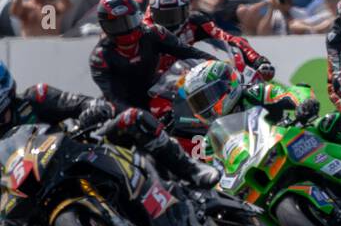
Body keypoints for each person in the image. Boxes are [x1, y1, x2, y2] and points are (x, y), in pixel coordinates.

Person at [178, 60, 341, 199]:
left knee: (334, 123)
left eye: (210, 96)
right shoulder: (214, 137)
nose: (209, 107)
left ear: (228, 86)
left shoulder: (255, 93)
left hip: (295, 141)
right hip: (259, 170)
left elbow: (293, 91)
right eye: (200, 103)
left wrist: (304, 104)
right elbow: (216, 168)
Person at [0, 64, 217, 189]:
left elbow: (85, 103)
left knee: (133, 118)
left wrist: (92, 110)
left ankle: (191, 170)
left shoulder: (36, 97)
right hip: (39, 194)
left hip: (79, 154)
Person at [89, 0, 216, 111]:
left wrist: (218, 65)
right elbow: (113, 98)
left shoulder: (153, 33)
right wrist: (137, 115)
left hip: (156, 93)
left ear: (139, 16)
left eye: (130, 21)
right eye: (117, 25)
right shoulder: (100, 57)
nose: (126, 29)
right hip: (124, 107)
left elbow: (190, 52)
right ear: (104, 27)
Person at [145, 0, 275, 78]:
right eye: (164, 16)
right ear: (153, 13)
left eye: (174, 15)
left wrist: (258, 60)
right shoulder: (144, 31)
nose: (170, 22)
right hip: (155, 87)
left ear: (186, 11)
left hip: (192, 81)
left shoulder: (196, 21)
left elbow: (230, 39)